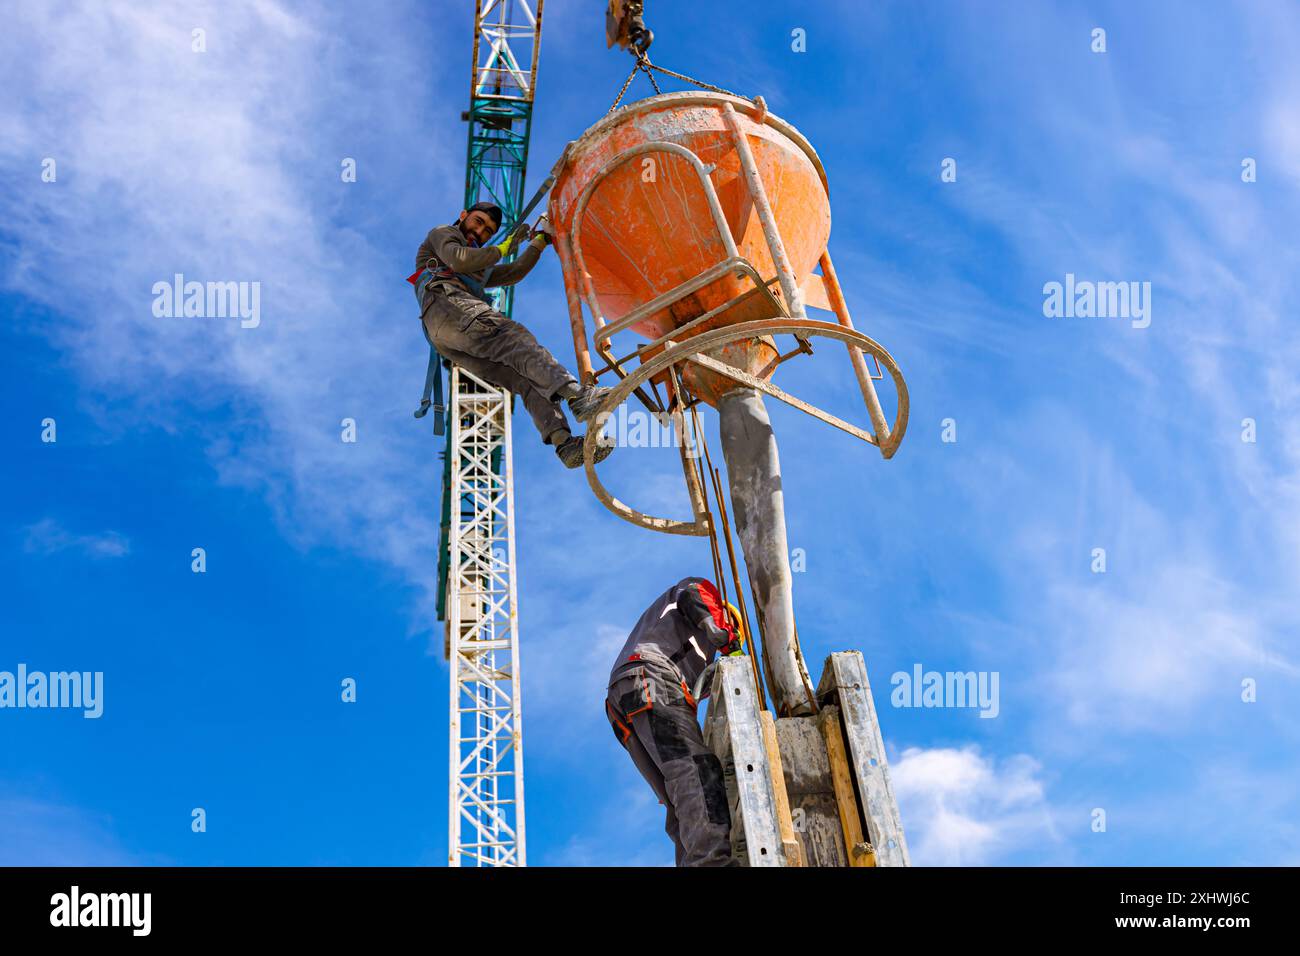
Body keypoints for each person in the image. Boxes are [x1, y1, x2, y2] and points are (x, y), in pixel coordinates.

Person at [411, 201, 614, 468]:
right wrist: (502, 248)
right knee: (516, 341)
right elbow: (456, 258)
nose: (480, 232)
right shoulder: (443, 234)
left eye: (488, 231)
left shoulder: (476, 265)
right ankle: (577, 396)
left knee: (525, 378)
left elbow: (513, 272)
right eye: (478, 221)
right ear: (463, 216)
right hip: (449, 307)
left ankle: (563, 443)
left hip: (448, 335)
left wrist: (539, 242)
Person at [604, 576, 747, 866]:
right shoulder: (702, 597)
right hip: (650, 677)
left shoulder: (690, 649)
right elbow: (694, 595)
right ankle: (711, 863)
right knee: (696, 771)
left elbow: (700, 688)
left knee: (677, 796)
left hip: (627, 698)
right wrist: (727, 639)